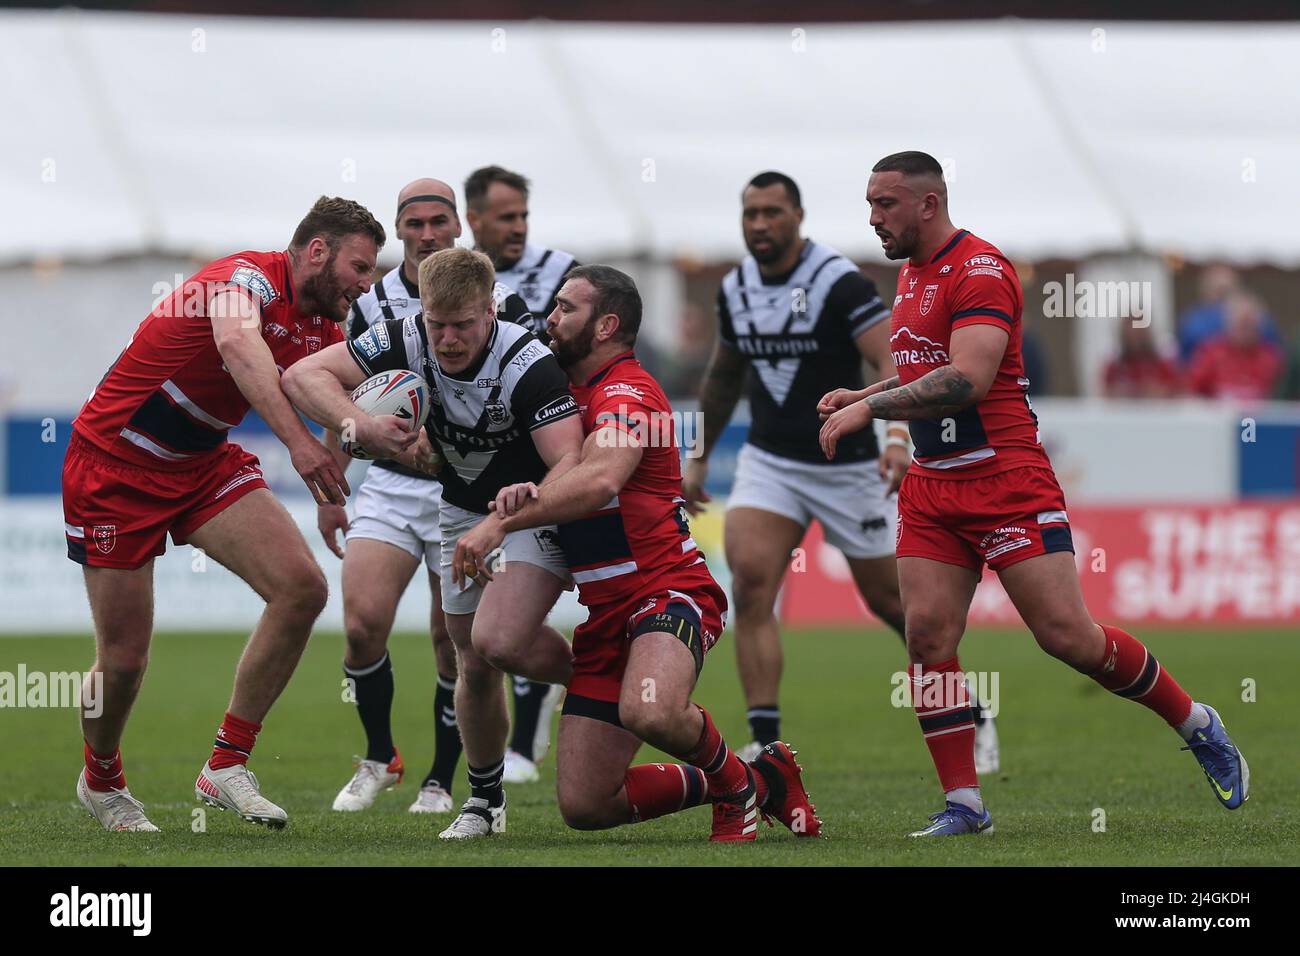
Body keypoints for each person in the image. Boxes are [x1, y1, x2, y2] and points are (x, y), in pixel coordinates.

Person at [818, 151, 1248, 836]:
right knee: (927, 636)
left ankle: (1197, 722)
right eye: (869, 203)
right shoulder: (910, 275)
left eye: (885, 204)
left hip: (1004, 478)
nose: (873, 218)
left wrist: (873, 412)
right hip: (934, 484)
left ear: (929, 204)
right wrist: (867, 391)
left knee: (1068, 638)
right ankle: (965, 805)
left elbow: (969, 379)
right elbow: (924, 366)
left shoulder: (981, 269)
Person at [453, 266, 819, 842]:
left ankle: (735, 789)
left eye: (566, 309)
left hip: (665, 591)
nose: (551, 319)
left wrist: (502, 522)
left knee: (650, 711)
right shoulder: (557, 395)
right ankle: (756, 776)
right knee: (586, 805)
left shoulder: (629, 389)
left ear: (607, 325)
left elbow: (599, 481)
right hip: (605, 615)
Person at [65, 196, 392, 831]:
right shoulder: (243, 278)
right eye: (360, 266)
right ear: (317, 251)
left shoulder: (326, 327)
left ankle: (225, 764)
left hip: (198, 463)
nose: (365, 283)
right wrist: (299, 447)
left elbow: (337, 394)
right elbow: (238, 347)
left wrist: (332, 494)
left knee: (301, 588)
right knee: (125, 659)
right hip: (114, 466)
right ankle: (101, 779)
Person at [682, 171, 999, 770]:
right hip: (771, 461)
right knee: (749, 586)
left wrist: (897, 436)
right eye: (750, 213)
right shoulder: (735, 288)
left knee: (893, 606)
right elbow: (723, 377)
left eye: (772, 212)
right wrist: (698, 457)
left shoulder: (837, 282)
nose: (759, 224)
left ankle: (971, 709)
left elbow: (890, 357)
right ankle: (764, 738)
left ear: (799, 217)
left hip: (847, 466)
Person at [282, 247, 582, 839]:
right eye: (436, 323)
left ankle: (599, 675)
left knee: (495, 642)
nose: (446, 339)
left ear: (489, 312)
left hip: (527, 512)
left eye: (462, 325)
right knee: (470, 656)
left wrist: (510, 516)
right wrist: (360, 424)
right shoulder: (406, 336)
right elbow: (300, 376)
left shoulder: (528, 362)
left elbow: (569, 462)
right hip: (459, 510)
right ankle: (486, 803)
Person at [324, 178, 537, 815]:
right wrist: (333, 484)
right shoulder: (369, 301)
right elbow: (343, 393)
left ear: (458, 228)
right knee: (362, 624)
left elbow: (521, 403)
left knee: (456, 643)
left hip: (468, 493)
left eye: (437, 221)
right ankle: (380, 755)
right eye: (411, 223)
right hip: (391, 483)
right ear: (399, 231)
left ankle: (444, 780)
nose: (425, 233)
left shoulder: (504, 304)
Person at [464, 164, 581, 782]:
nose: (518, 228)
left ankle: (523, 747)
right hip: (475, 476)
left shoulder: (561, 271)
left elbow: (587, 346)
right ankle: (456, 775)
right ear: (474, 219)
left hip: (550, 467)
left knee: (508, 628)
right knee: (472, 640)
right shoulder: (452, 283)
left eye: (523, 216)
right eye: (505, 217)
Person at [1186, 291, 1284, 400]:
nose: (1245, 331)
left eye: (1249, 325)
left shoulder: (1272, 357)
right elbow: (1191, 391)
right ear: (1228, 323)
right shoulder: (1209, 353)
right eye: (1241, 325)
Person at [1101, 322, 1183, 398]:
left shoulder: (1161, 365)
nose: (1134, 331)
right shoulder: (1114, 367)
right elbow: (1105, 394)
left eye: (1139, 325)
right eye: (1130, 325)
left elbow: (1177, 392)